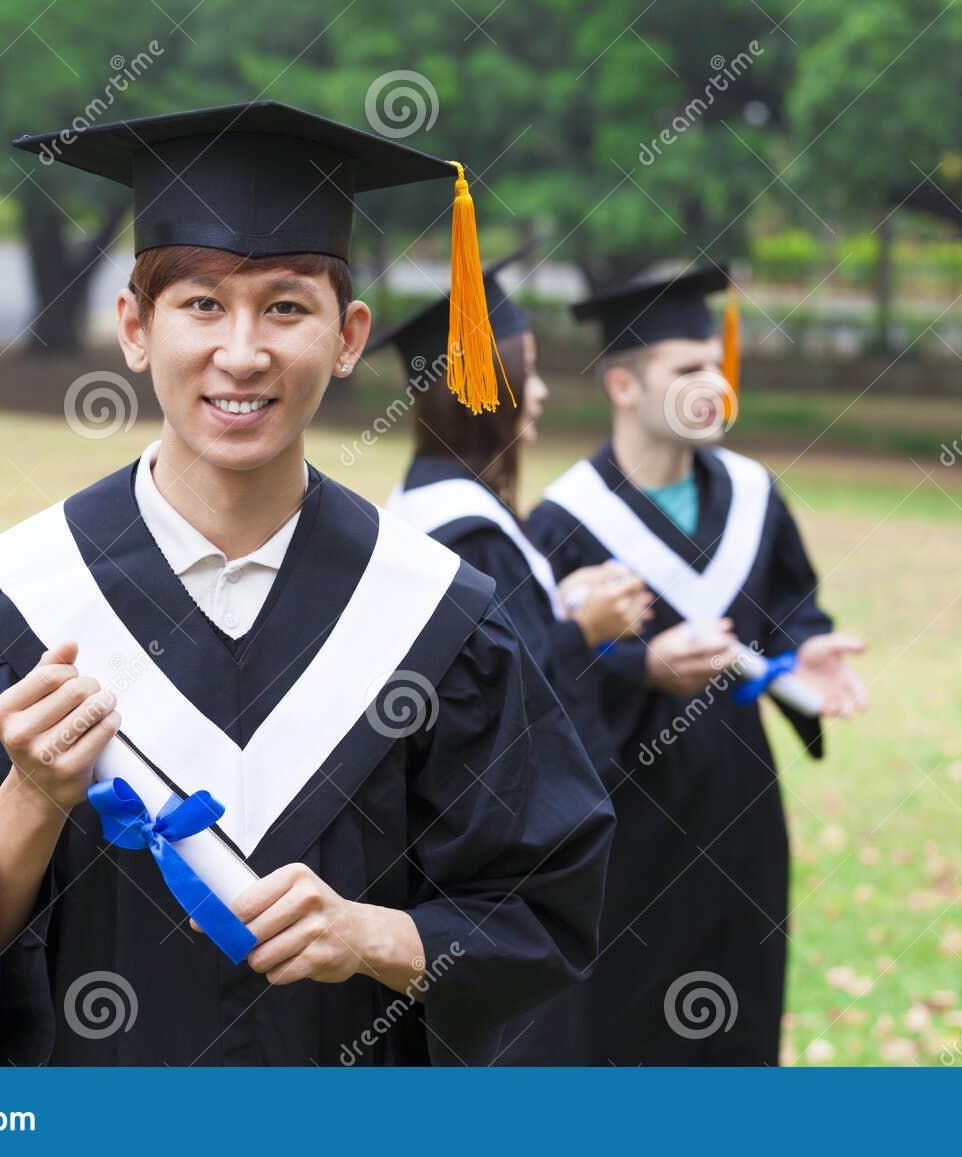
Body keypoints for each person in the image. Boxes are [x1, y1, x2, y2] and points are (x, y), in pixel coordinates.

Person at [0, 101, 615, 1067]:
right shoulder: (5, 607)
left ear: (348, 335)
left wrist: (375, 936)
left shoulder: (437, 617)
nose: (241, 353)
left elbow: (546, 904)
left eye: (286, 306)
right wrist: (29, 796)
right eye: (201, 303)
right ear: (133, 326)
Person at [526, 262, 868, 1064]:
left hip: (742, 819)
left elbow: (791, 608)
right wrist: (639, 670)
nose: (713, 384)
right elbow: (533, 683)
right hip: (621, 831)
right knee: (624, 1038)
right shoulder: (563, 522)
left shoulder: (754, 494)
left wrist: (804, 652)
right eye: (687, 370)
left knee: (742, 1026)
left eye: (716, 365)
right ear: (622, 385)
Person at [374, 249, 652, 1061]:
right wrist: (584, 631)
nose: (538, 390)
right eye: (523, 371)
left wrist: (563, 611)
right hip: (495, 877)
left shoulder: (436, 510)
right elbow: (509, 704)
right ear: (481, 392)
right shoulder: (465, 531)